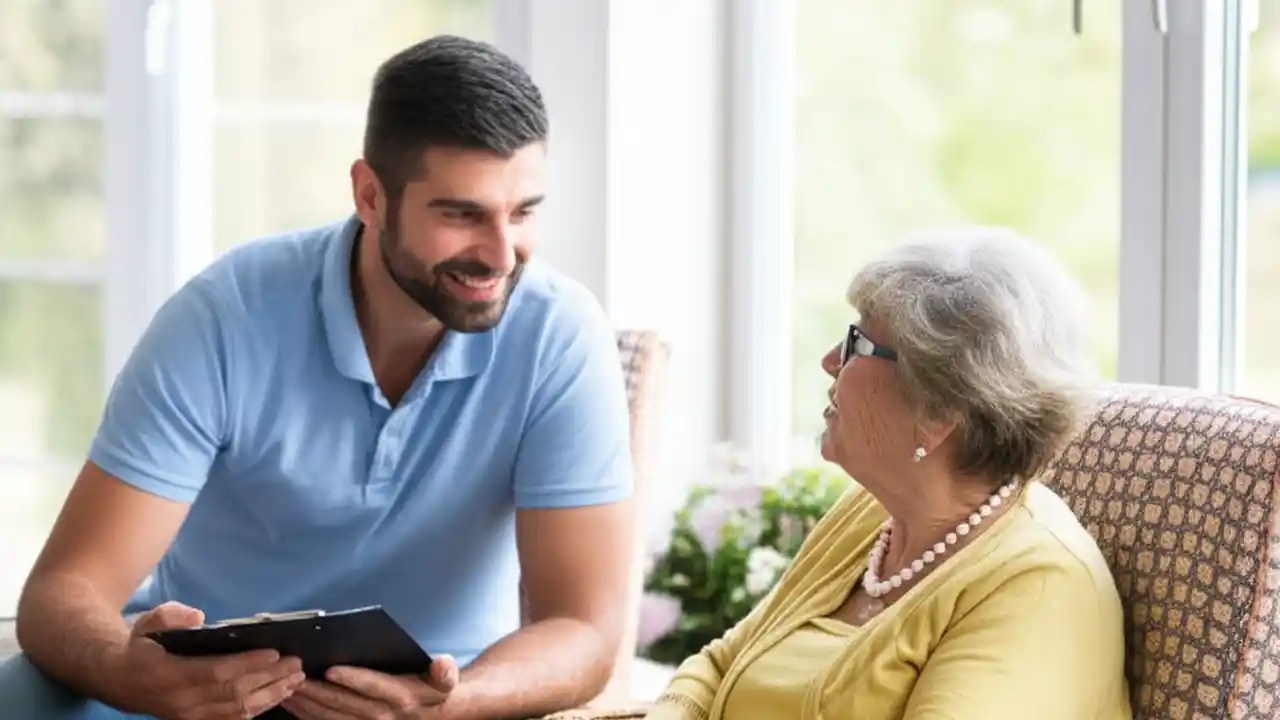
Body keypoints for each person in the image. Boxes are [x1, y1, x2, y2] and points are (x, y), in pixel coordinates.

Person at [2, 35, 635, 720]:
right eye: (461, 214)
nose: (501, 254)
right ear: (370, 195)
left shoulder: (559, 335)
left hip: (441, 704)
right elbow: (63, 593)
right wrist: (134, 675)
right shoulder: (224, 318)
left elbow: (585, 631)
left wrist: (450, 703)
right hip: (205, 697)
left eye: (522, 213)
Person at [648, 229, 1131, 719]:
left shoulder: (1036, 585)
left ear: (940, 409)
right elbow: (716, 666)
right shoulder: (872, 512)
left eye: (858, 342)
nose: (830, 361)